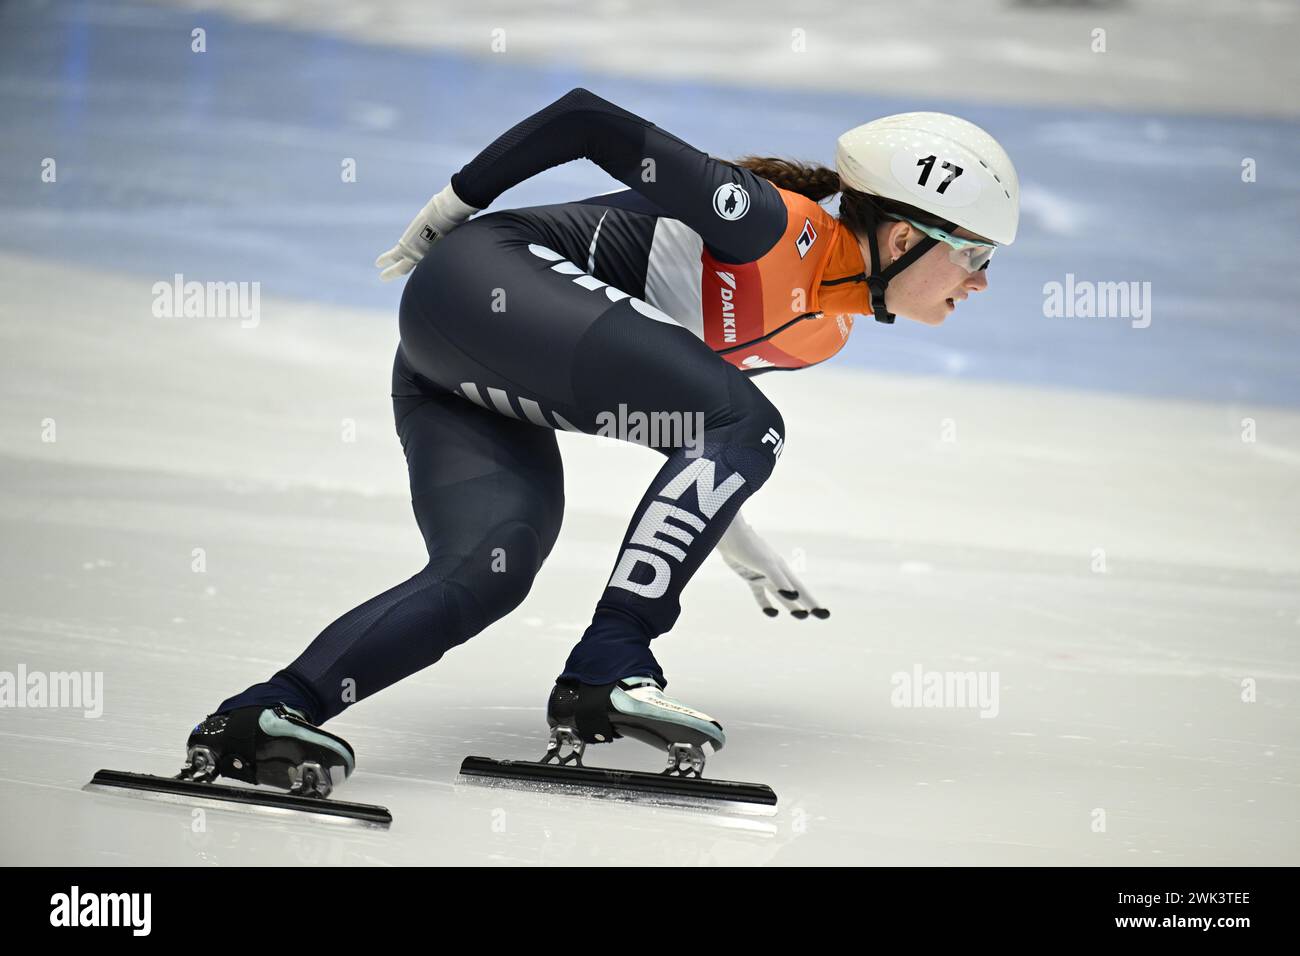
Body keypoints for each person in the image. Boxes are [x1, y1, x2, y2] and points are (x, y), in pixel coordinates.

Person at [183, 88, 1020, 795]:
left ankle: (270, 711)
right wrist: (450, 208)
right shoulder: (771, 226)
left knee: (486, 574)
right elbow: (587, 122)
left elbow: (684, 420)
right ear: (905, 237)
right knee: (753, 423)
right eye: (975, 253)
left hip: (466, 377)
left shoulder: (821, 336)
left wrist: (729, 530)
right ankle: (609, 663)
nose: (982, 281)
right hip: (481, 280)